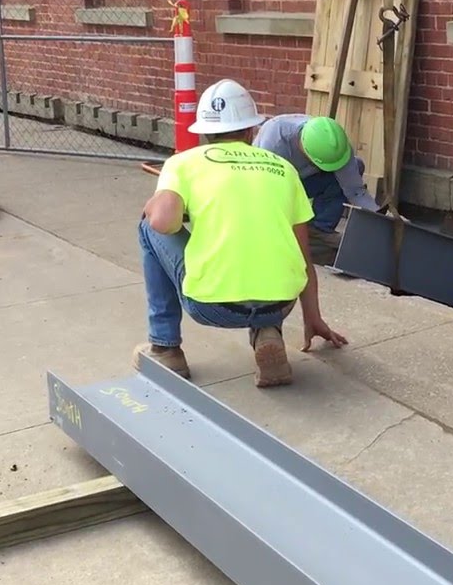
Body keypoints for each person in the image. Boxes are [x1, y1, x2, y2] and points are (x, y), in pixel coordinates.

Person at [135, 79, 348, 388]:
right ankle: (267, 332)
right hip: (280, 303)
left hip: (212, 308)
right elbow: (303, 257)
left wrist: (155, 203)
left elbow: (162, 223)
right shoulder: (283, 168)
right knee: (269, 242)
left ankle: (166, 348)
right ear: (251, 131)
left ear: (204, 132)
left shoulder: (183, 163)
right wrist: (312, 316)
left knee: (146, 226)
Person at [252, 114, 382, 253]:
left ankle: (318, 231)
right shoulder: (276, 139)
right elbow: (262, 189)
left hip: (304, 180)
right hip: (274, 183)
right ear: (306, 152)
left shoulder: (337, 148)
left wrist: (379, 218)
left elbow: (355, 190)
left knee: (356, 165)